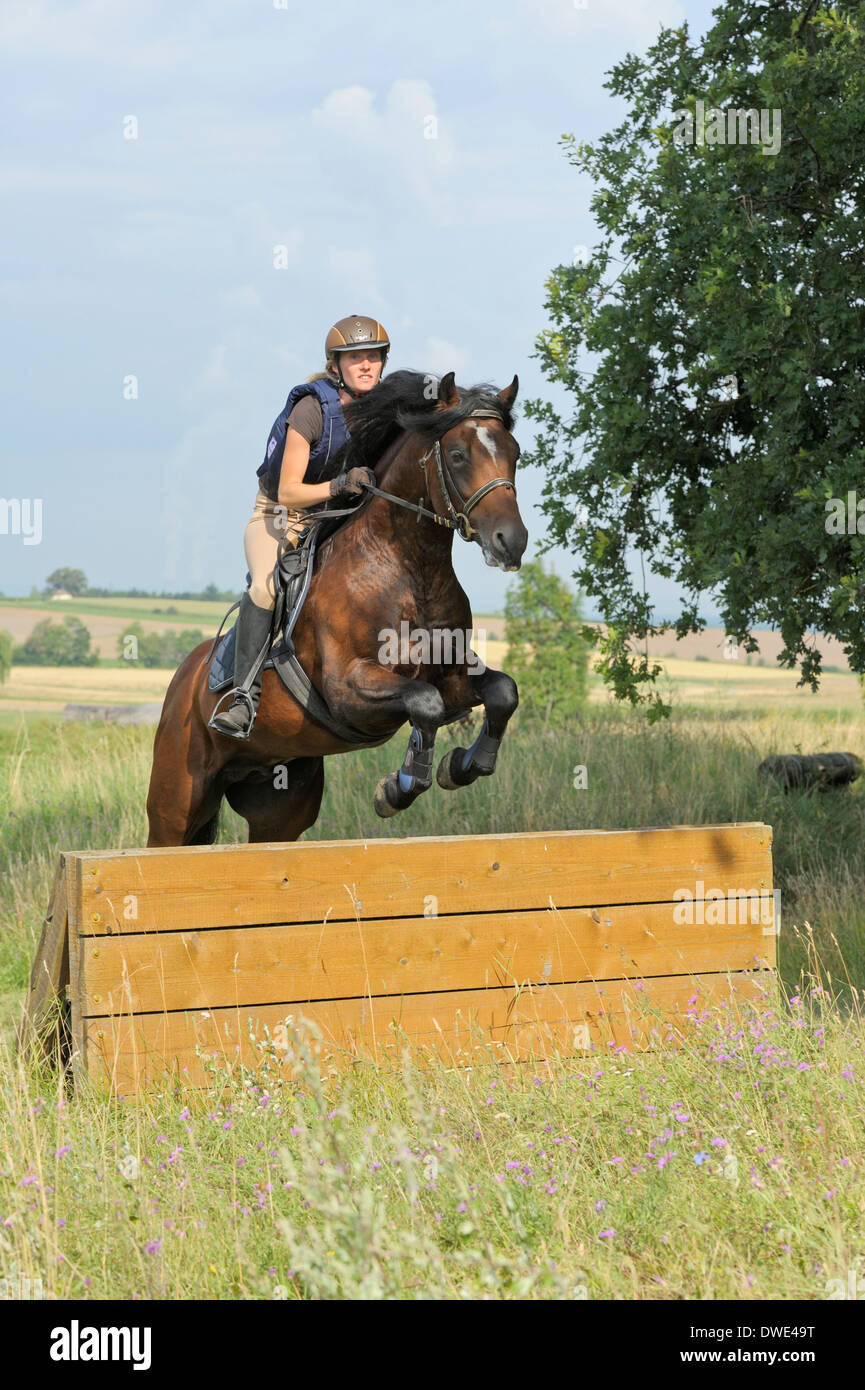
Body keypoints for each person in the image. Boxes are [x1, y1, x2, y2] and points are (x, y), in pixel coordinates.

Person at [209, 315, 389, 738]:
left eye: (374, 358)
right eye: (355, 358)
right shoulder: (312, 409)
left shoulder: (383, 409)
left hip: (340, 513)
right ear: (336, 365)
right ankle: (243, 698)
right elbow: (289, 491)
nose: (366, 366)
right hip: (280, 515)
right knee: (266, 586)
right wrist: (342, 482)